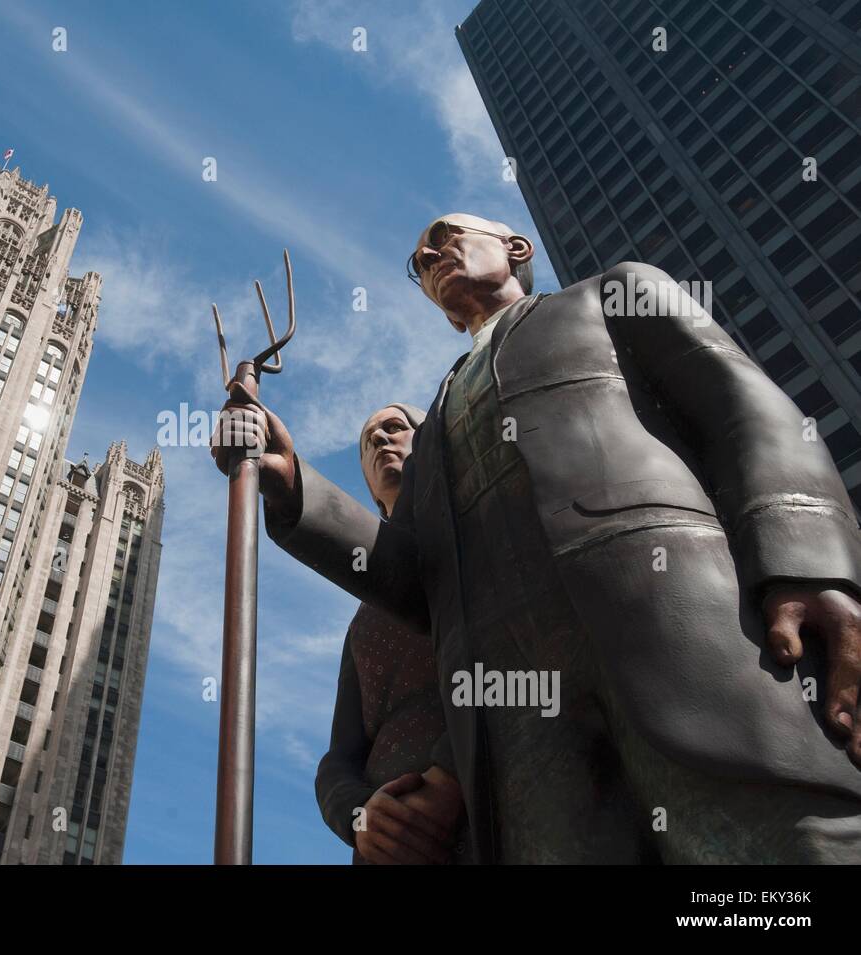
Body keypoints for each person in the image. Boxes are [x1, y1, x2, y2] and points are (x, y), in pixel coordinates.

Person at [213, 213, 861, 863]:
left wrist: (813, 569)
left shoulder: (613, 296)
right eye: (420, 262)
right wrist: (291, 483)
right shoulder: (436, 429)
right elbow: (413, 577)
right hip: (523, 727)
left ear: (516, 246)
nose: (432, 256)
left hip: (684, 634)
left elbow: (744, 407)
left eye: (444, 237)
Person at [316, 403, 464, 865]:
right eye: (367, 442)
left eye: (395, 427)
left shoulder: (480, 533)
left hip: (487, 816)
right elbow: (339, 758)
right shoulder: (363, 618)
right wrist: (360, 817)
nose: (379, 439)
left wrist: (451, 776)